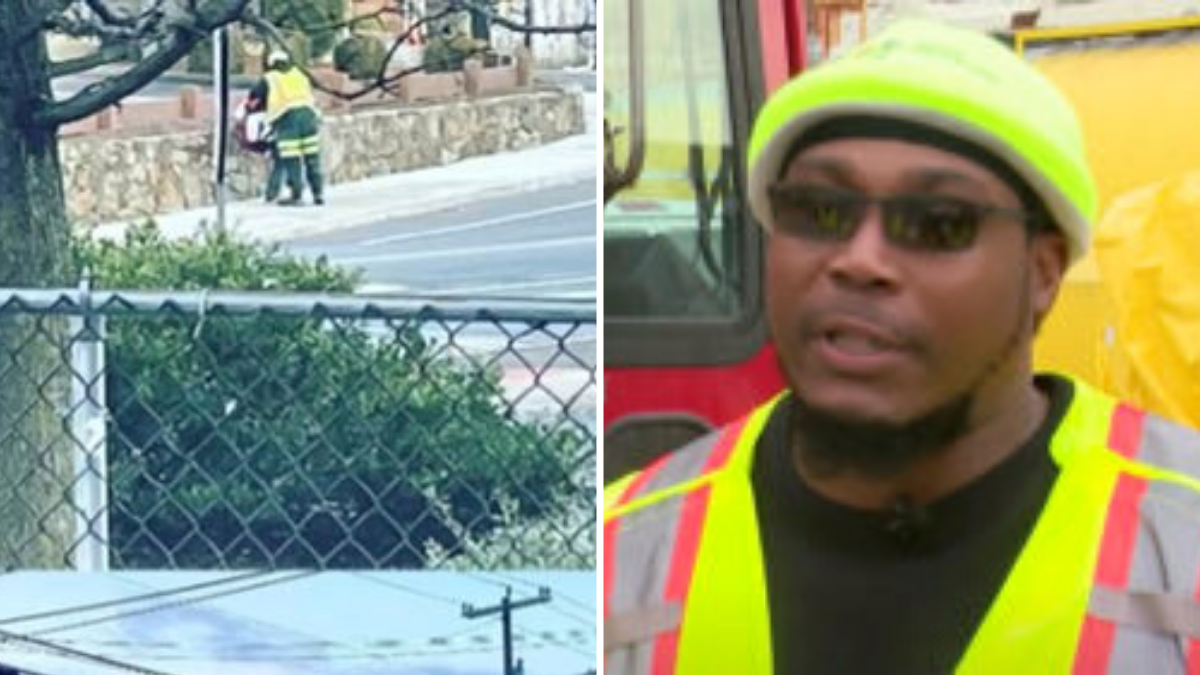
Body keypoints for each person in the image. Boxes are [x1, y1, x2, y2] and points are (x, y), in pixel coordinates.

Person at [603, 19, 1200, 674]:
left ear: (1044, 271)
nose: (860, 260)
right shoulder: (624, 554)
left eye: (937, 223)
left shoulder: (1180, 540)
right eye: (820, 211)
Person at [251, 50, 325, 206]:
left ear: (271, 64)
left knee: (292, 159)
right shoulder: (299, 74)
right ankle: (318, 194)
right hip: (309, 117)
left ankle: (296, 195)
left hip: (287, 119)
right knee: (312, 158)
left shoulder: (270, 78)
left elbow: (254, 98)